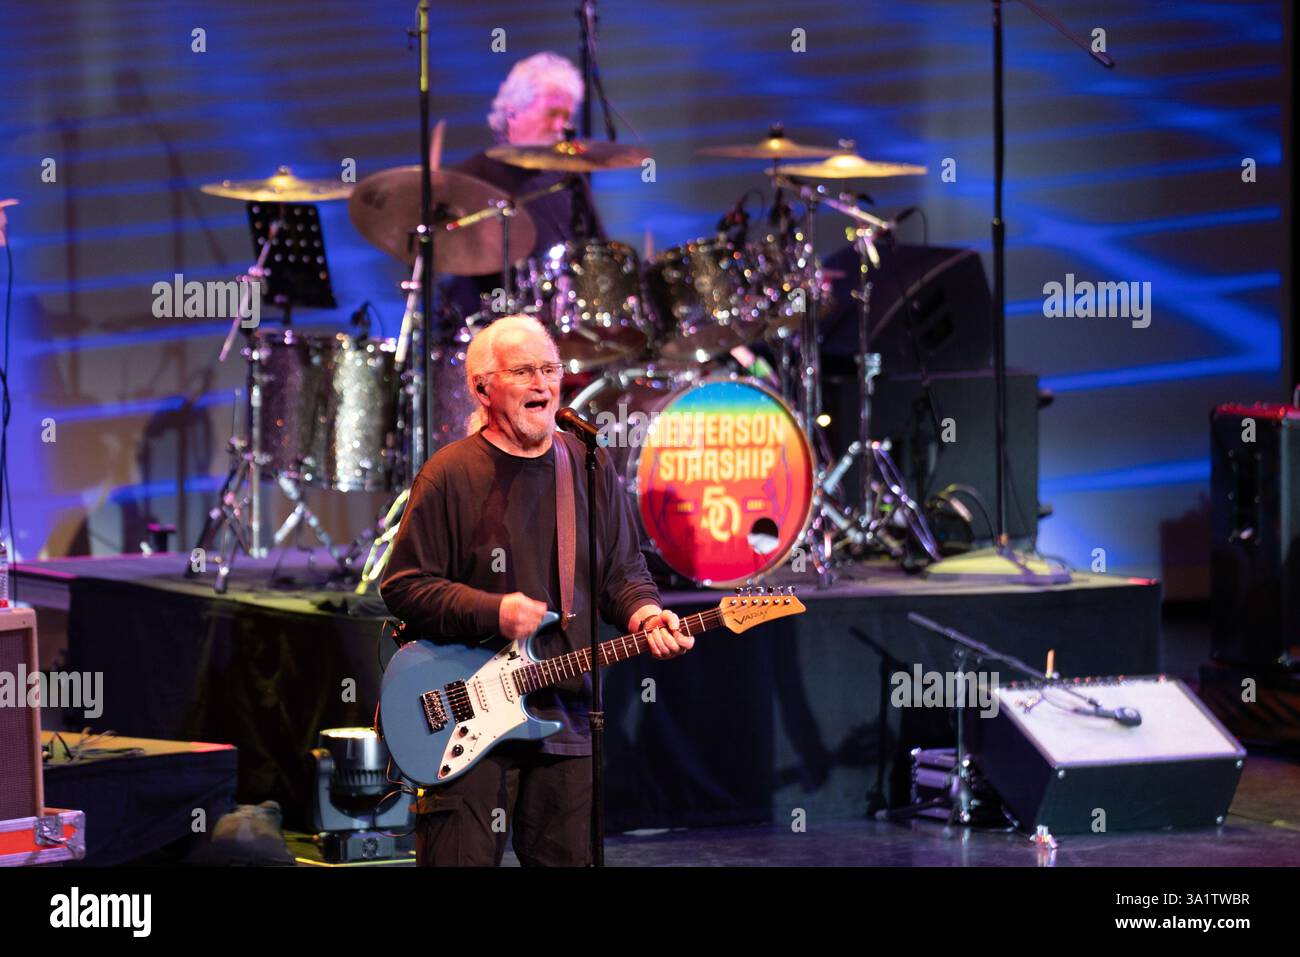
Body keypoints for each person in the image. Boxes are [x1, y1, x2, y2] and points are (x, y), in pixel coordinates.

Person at [380, 314, 692, 867]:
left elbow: (622, 569)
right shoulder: (448, 474)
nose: (544, 385)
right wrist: (493, 610)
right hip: (466, 716)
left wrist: (646, 615)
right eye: (524, 371)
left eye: (550, 369)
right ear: (482, 387)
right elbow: (403, 586)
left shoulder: (586, 461)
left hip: (565, 714)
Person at [442, 51, 605, 318]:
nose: (560, 127)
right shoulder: (470, 177)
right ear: (513, 111)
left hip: (567, 327)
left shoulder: (570, 180)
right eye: (552, 113)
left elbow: (598, 257)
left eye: (566, 117)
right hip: (494, 325)